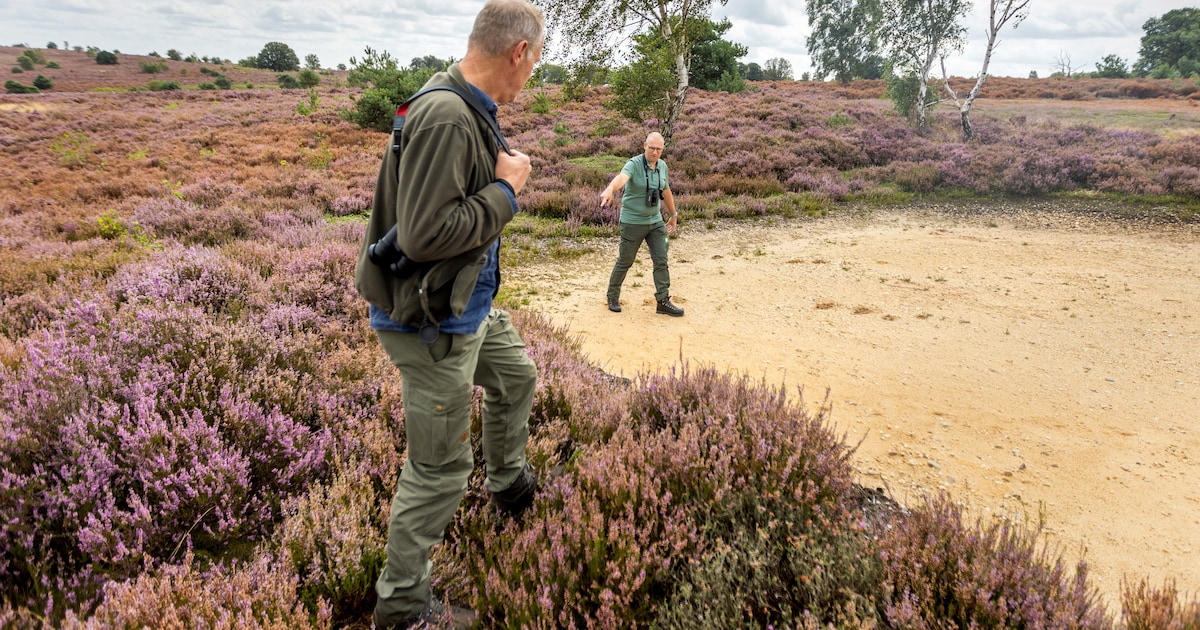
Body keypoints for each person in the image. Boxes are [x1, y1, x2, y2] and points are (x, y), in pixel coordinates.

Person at [352, 1, 544, 627]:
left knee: (516, 377)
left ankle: (509, 484)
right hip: (432, 324)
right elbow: (426, 237)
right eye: (535, 61)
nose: (532, 75)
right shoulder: (448, 118)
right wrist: (507, 190)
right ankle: (402, 609)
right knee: (437, 471)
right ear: (518, 52)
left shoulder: (460, 104)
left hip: (467, 308)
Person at [599, 132, 684, 317]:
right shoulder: (634, 164)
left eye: (658, 149)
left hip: (655, 222)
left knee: (661, 260)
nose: (654, 152)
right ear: (644, 146)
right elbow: (622, 177)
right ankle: (612, 296)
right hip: (633, 222)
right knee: (625, 260)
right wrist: (610, 189)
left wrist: (673, 214)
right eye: (651, 148)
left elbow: (666, 190)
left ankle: (663, 301)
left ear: (663, 149)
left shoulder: (662, 166)